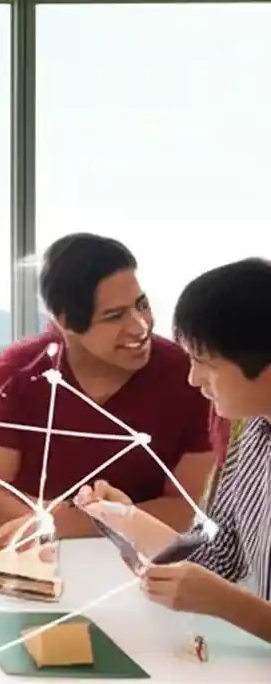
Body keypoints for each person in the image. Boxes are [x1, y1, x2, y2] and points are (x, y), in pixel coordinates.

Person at [0, 233, 218, 551]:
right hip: (37, 557)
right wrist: (101, 520)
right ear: (65, 322)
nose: (140, 326)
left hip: (143, 558)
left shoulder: (187, 376)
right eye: (114, 316)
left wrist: (63, 521)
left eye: (142, 305)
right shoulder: (18, 370)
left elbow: (184, 510)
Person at [76, 258, 270, 642]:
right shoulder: (252, 434)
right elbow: (220, 558)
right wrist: (129, 519)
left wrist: (229, 604)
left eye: (205, 363)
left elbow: (222, 589)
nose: (193, 379)